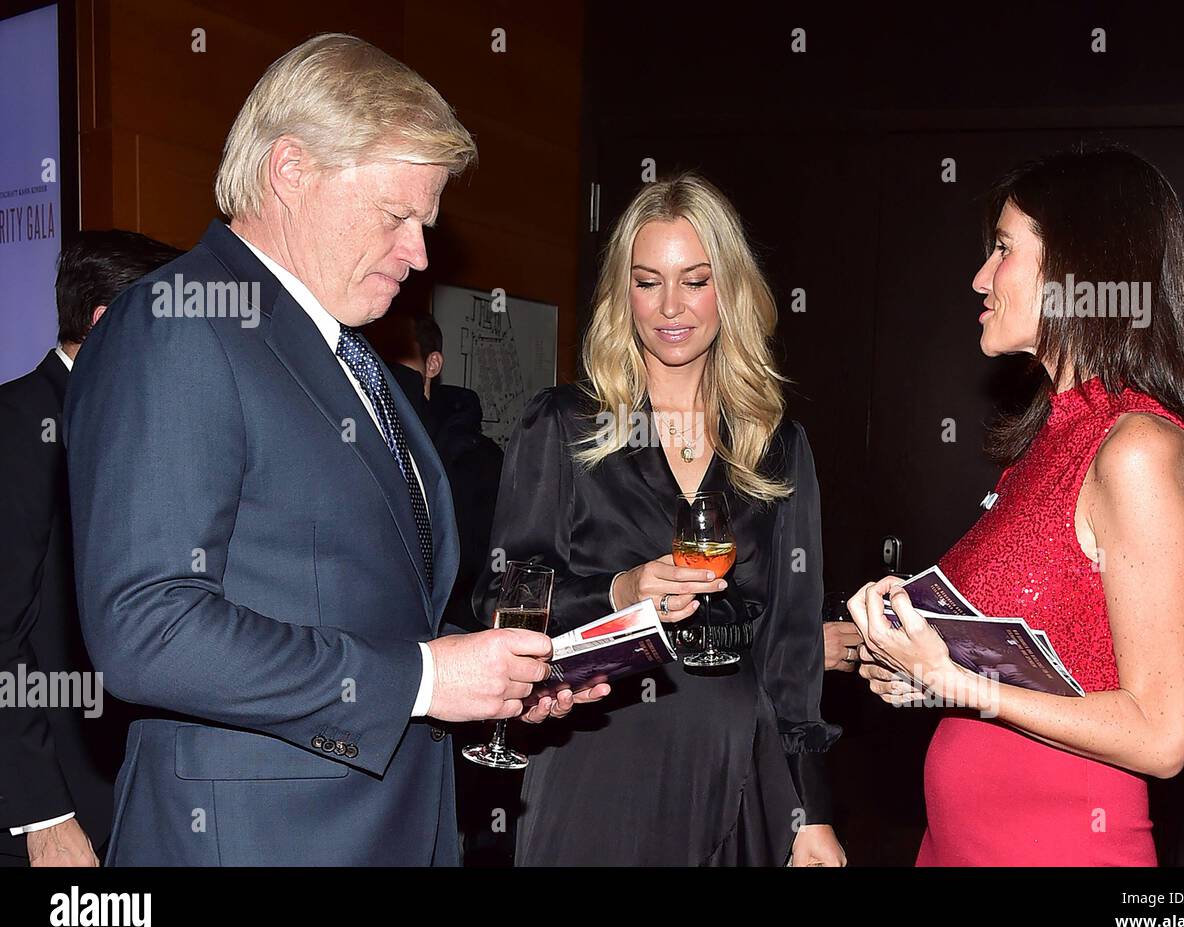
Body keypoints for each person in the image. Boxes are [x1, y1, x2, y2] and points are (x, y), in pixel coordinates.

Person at [63, 33, 603, 867]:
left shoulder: (358, 362)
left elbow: (374, 609)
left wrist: (487, 676)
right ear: (291, 170)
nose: (419, 254)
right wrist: (425, 680)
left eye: (424, 224)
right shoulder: (178, 325)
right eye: (396, 216)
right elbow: (147, 627)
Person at [850, 147, 1184, 866]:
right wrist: (919, 668)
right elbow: (1035, 659)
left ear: (1078, 269)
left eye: (1004, 250)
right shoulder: (1050, 437)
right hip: (958, 842)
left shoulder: (1135, 447)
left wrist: (954, 682)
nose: (981, 277)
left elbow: (1163, 734)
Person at [475, 172, 846, 866]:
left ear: (728, 290)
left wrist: (809, 808)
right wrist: (618, 594)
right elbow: (500, 602)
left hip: (740, 764)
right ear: (624, 295)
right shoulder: (562, 425)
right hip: (597, 758)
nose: (671, 306)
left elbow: (791, 650)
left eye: (695, 280)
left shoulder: (776, 445)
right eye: (648, 282)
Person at [0, 230, 180, 868]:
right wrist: (43, 816)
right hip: (52, 812)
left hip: (132, 792)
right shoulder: (19, 423)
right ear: (107, 323)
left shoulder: (132, 424)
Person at [387, 312, 503, 632]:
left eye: (400, 360)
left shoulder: (480, 457)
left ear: (432, 364)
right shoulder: (372, 437)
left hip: (458, 632)